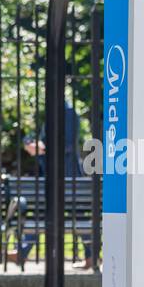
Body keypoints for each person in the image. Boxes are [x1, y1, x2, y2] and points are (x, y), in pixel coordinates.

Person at [14, 100, 94, 269]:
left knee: (75, 215)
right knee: (46, 213)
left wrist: (42, 148)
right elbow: (48, 141)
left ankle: (22, 251)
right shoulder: (53, 113)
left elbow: (66, 146)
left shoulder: (69, 113)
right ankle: (22, 252)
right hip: (56, 175)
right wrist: (34, 145)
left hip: (68, 175)